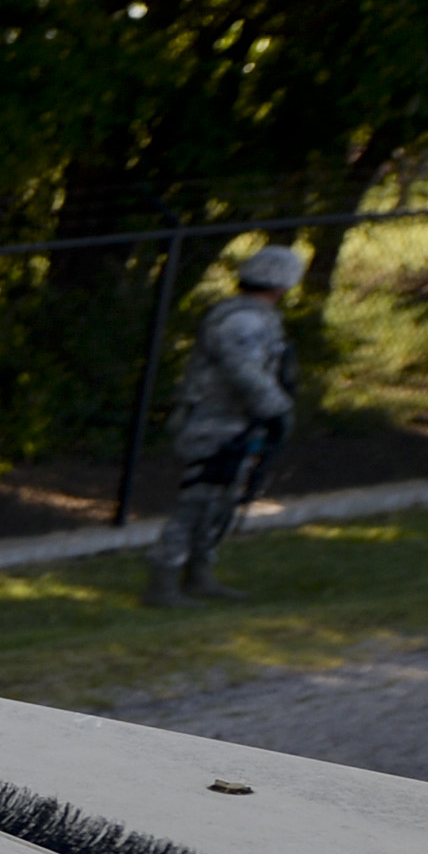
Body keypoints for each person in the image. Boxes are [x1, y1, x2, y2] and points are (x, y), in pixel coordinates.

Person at [152, 246, 304, 606]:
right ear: (282, 283)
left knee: (221, 502)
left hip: (238, 424)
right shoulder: (243, 322)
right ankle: (164, 582)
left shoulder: (255, 318)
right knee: (197, 500)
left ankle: (199, 573)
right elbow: (244, 371)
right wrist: (277, 409)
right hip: (215, 424)